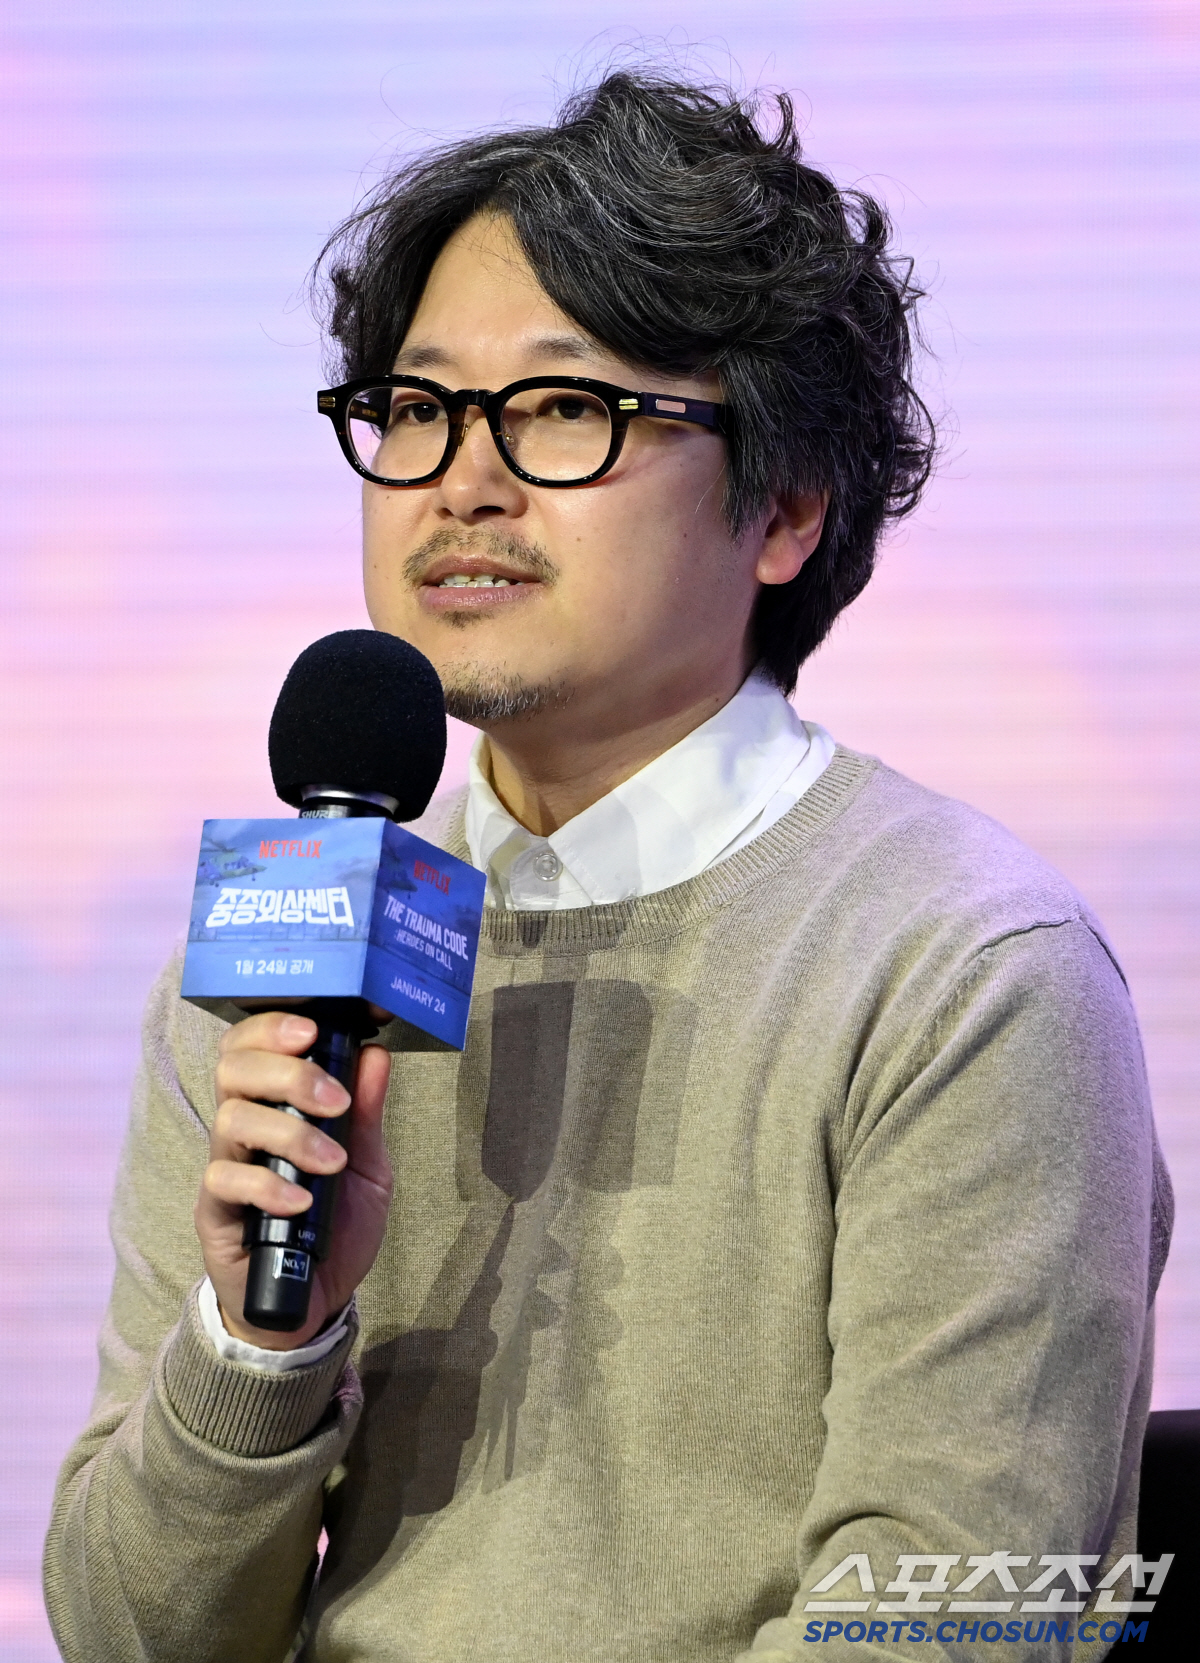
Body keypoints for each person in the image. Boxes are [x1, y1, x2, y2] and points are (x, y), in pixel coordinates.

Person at [45, 71, 1171, 1663]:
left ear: (786, 507)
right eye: (418, 409)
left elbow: (943, 1623)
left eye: (566, 409)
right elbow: (128, 1634)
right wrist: (259, 1340)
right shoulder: (290, 952)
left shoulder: (967, 973)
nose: (462, 481)